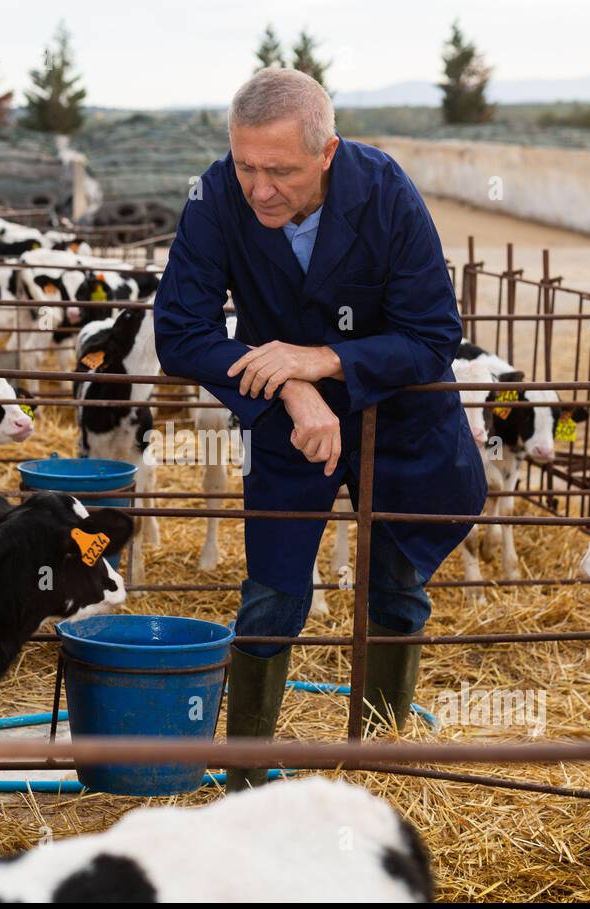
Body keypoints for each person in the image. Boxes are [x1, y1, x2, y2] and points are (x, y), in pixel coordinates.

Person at [153, 68, 487, 790]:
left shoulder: (385, 191)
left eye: (281, 171)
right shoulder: (215, 195)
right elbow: (179, 332)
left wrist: (325, 358)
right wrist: (294, 387)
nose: (260, 190)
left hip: (398, 419)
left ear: (328, 153)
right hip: (284, 422)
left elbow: (432, 335)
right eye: (246, 166)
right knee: (273, 593)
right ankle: (245, 773)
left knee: (395, 586)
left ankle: (377, 759)